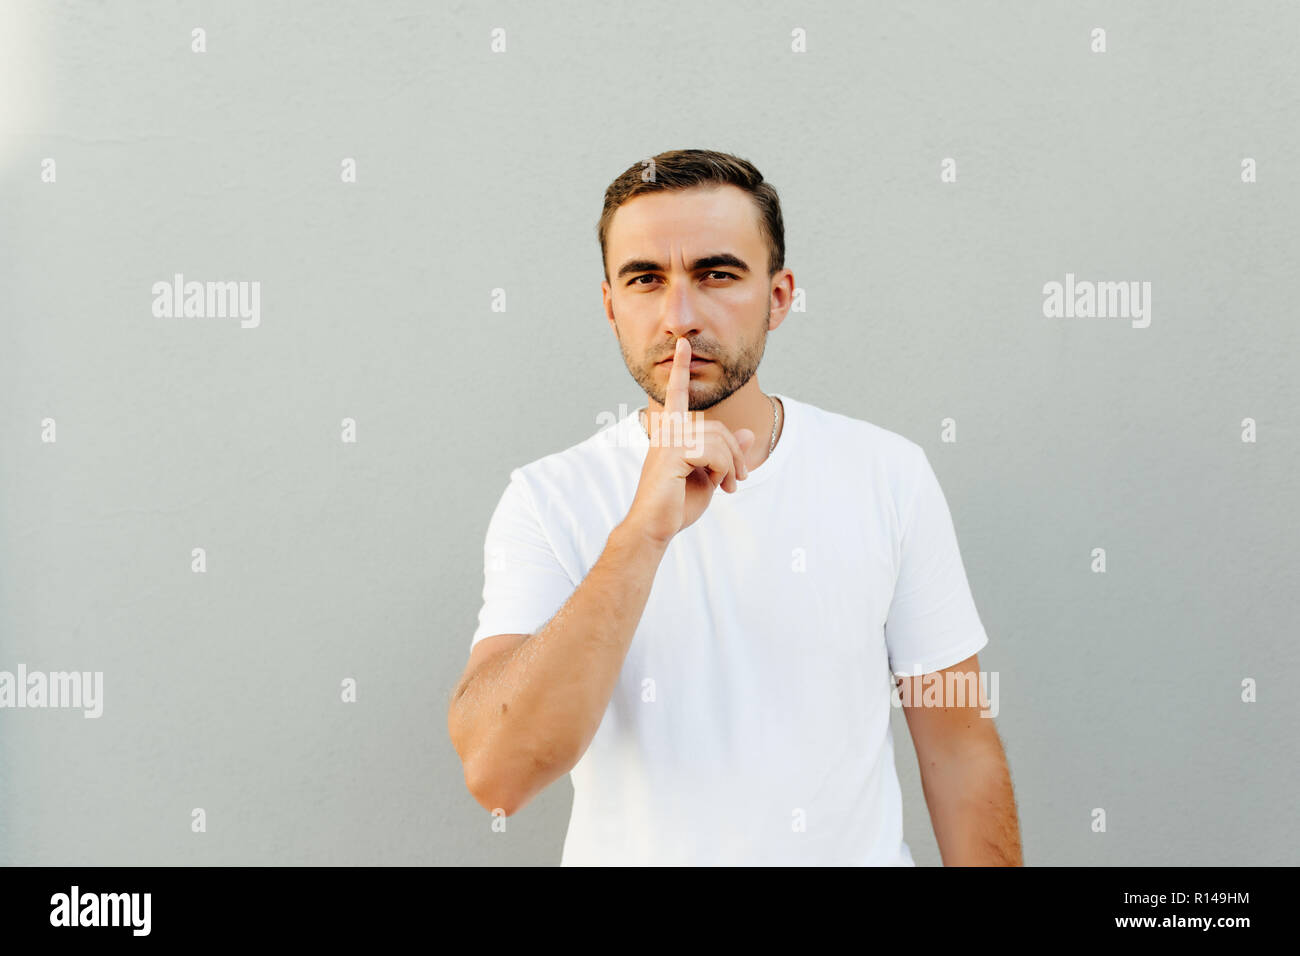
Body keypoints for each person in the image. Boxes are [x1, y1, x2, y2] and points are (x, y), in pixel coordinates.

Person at [448, 148, 1022, 865]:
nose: (680, 316)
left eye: (717, 274)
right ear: (609, 305)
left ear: (779, 298)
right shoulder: (547, 498)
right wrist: (643, 535)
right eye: (645, 280)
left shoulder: (888, 475)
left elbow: (960, 752)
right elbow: (498, 773)